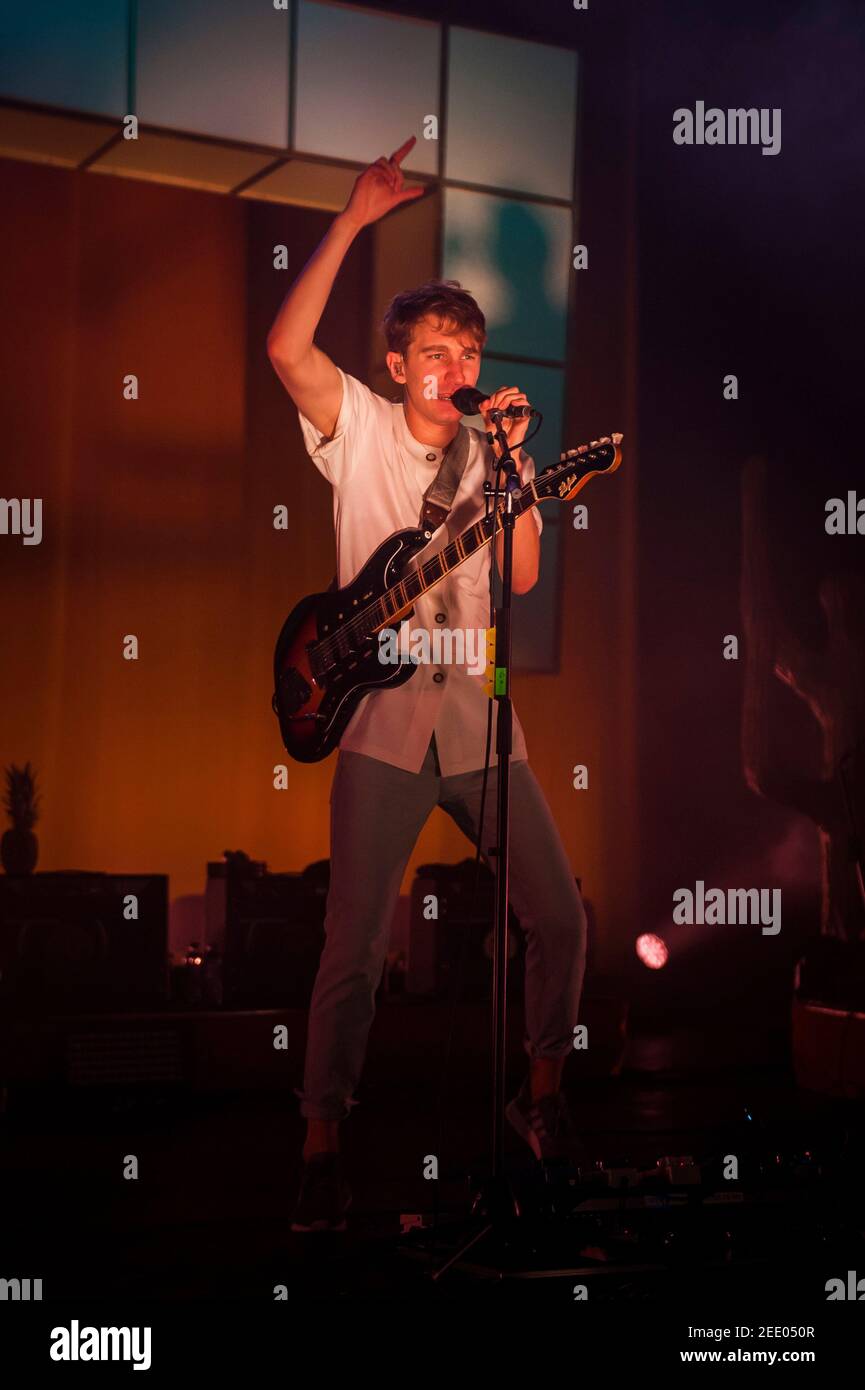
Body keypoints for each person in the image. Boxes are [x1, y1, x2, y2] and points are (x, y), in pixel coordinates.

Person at [267, 136, 589, 1233]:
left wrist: (516, 476)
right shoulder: (355, 426)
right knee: (355, 949)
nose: (455, 364)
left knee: (563, 917)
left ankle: (538, 1099)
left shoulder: (492, 459)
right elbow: (282, 345)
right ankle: (320, 1140)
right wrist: (354, 218)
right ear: (401, 363)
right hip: (378, 723)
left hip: (478, 722)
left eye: (469, 349)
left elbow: (527, 574)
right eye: (436, 349)